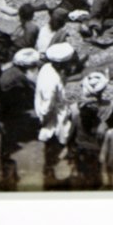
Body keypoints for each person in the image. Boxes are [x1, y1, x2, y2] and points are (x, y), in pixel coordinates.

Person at [34, 43, 79, 186]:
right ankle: (52, 176)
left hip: (55, 113)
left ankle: (49, 170)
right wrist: (45, 122)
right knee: (56, 146)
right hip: (54, 120)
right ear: (61, 64)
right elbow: (46, 108)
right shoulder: (51, 82)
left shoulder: (47, 68)